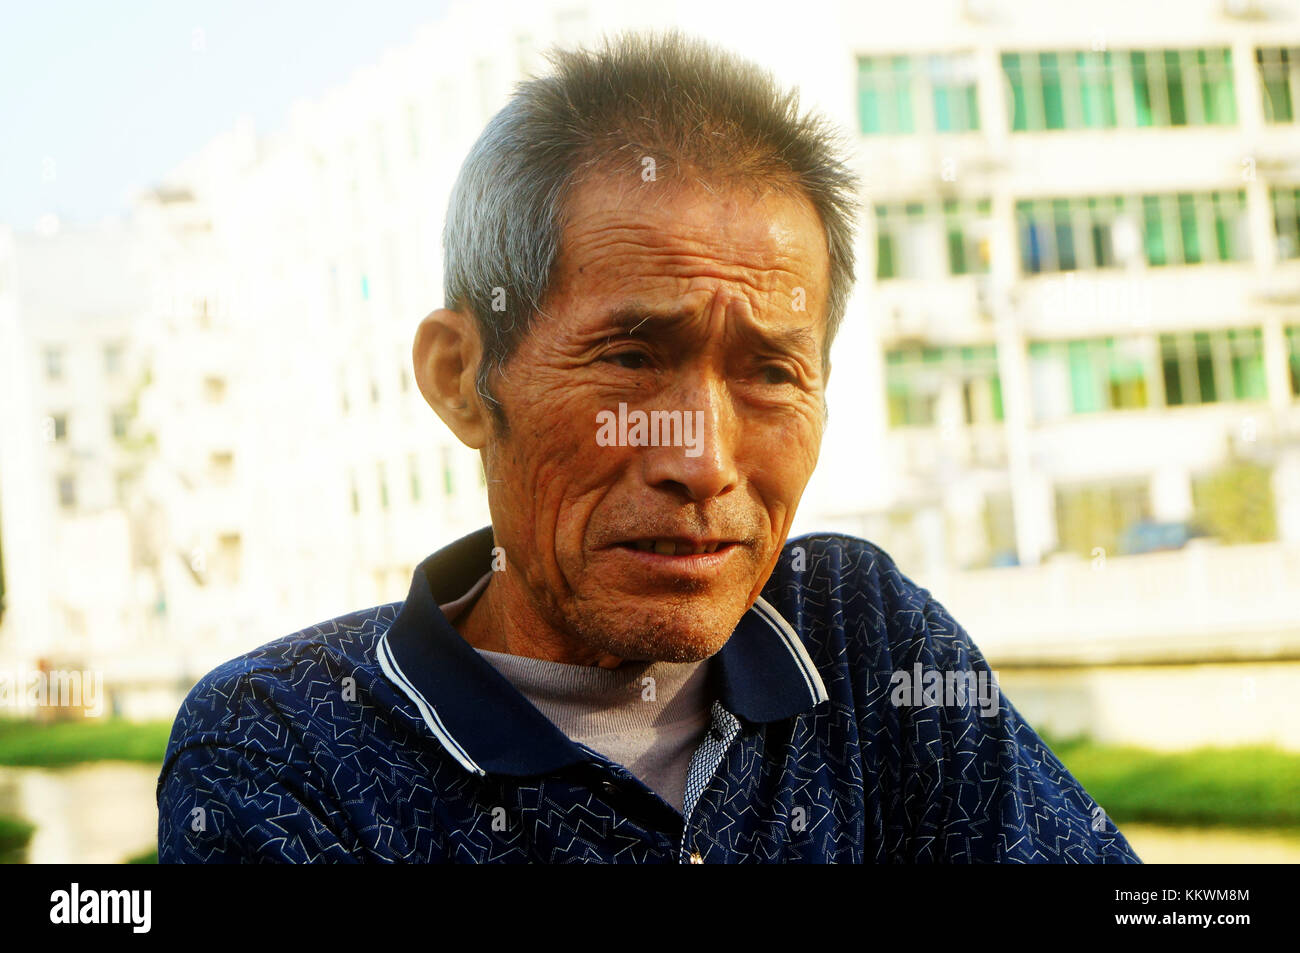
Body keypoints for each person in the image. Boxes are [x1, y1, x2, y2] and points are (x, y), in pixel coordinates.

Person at [157, 30, 1139, 863]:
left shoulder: (856, 633)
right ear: (463, 377)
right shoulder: (284, 740)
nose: (702, 460)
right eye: (629, 355)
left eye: (769, 372)